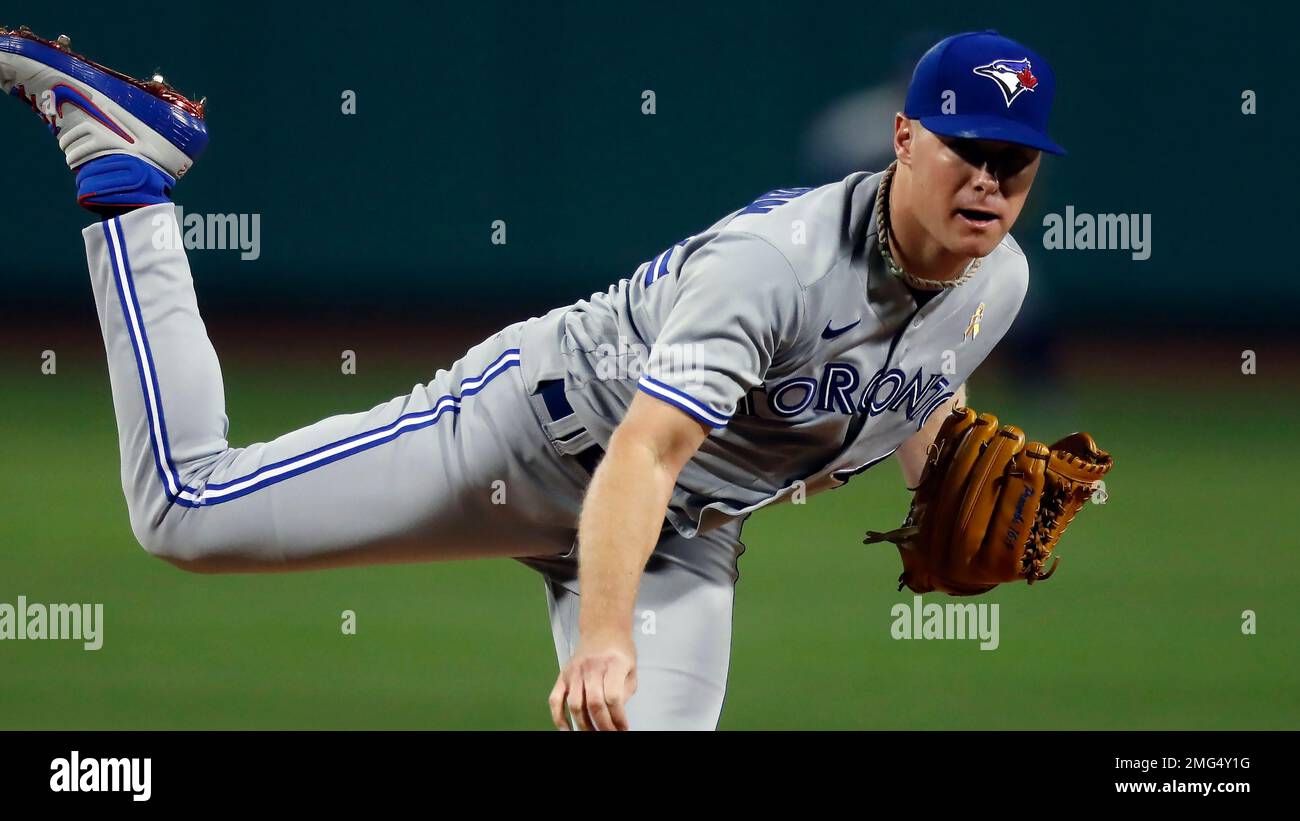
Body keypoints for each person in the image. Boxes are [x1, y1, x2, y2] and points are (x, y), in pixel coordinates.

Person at [0, 26, 1062, 730]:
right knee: (184, 512)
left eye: (1011, 160)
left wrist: (946, 480)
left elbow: (924, 381)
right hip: (526, 437)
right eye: (963, 147)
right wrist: (602, 639)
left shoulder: (996, 279)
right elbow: (647, 448)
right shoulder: (774, 264)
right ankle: (129, 174)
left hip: (682, 537)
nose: (986, 178)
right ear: (903, 137)